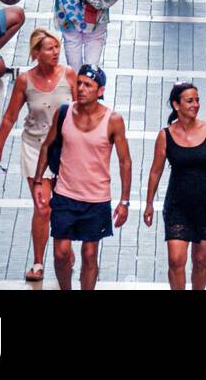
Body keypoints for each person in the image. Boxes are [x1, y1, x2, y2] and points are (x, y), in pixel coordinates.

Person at [0, 27, 77, 282]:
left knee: (63, 204)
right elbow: (10, 117)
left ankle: (64, 252)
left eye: (57, 47)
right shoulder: (25, 81)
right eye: (50, 49)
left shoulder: (69, 75)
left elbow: (82, 109)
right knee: (42, 206)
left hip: (64, 149)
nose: (56, 52)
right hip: (34, 147)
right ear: (36, 53)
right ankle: (38, 263)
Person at [34, 65, 131, 291]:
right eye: (78, 83)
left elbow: (125, 161)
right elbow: (47, 146)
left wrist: (124, 201)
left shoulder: (113, 120)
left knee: (89, 254)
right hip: (65, 195)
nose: (81, 88)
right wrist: (39, 181)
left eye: (88, 85)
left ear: (100, 90)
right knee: (61, 253)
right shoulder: (65, 112)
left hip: (96, 199)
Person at [143, 82, 206, 290]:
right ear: (176, 105)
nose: (195, 104)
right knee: (176, 260)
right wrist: (149, 203)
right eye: (189, 101)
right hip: (178, 204)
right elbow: (155, 171)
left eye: (197, 100)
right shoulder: (165, 135)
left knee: (201, 260)